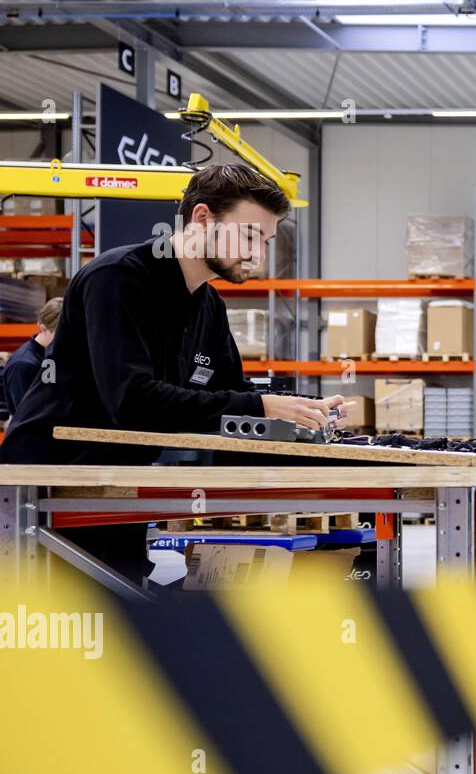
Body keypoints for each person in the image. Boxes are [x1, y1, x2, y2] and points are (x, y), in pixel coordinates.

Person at [0, 163, 350, 583]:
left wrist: (300, 420)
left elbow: (230, 400)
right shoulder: (118, 279)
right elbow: (132, 401)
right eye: (251, 235)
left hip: (116, 488)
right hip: (48, 488)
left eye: (268, 241)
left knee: (119, 613)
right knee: (66, 620)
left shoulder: (208, 305)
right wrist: (261, 404)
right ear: (202, 218)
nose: (259, 254)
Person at [3, 297, 62, 412]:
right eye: (59, 333)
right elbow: (25, 413)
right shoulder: (23, 365)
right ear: (43, 328)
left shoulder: (51, 356)